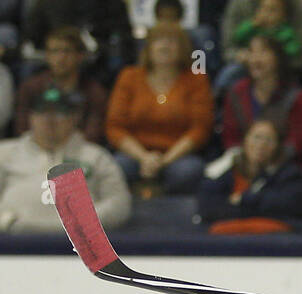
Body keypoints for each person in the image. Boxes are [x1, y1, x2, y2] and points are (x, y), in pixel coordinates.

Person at [0, 86, 129, 232]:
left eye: (59, 113)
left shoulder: (97, 156)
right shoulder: (5, 153)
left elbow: (119, 203)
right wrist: (6, 221)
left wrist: (85, 223)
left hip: (80, 245)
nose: (50, 120)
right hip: (11, 244)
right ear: (31, 117)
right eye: (42, 112)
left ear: (74, 118)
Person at [106, 21, 213, 195]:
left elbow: (200, 129)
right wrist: (144, 158)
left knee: (188, 172)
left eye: (171, 41)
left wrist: (164, 161)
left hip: (178, 155)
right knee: (115, 167)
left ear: (183, 48)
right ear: (148, 48)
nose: (164, 46)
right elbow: (115, 127)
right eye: (158, 41)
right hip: (134, 153)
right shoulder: (129, 76)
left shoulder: (197, 80)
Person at [198, 116, 302, 233]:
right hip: (226, 240)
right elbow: (208, 208)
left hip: (271, 239)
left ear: (278, 146)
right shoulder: (224, 168)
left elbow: (289, 205)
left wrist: (244, 200)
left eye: (269, 140)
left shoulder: (290, 175)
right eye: (257, 137)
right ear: (245, 140)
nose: (261, 145)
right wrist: (253, 210)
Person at [219, 33, 302, 170]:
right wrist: (246, 161)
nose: (256, 59)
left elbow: (296, 141)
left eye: (263, 52)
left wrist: (269, 160)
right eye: (251, 52)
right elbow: (230, 137)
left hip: (282, 168)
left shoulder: (297, 97)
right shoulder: (236, 92)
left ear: (277, 58)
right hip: (243, 165)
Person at [14, 26, 109, 144]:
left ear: (80, 56)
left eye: (67, 51)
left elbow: (93, 135)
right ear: (47, 56)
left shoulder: (95, 93)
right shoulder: (31, 87)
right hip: (35, 150)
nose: (61, 58)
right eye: (54, 51)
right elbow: (22, 129)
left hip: (79, 152)